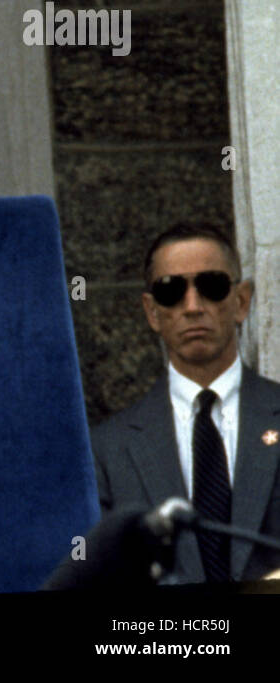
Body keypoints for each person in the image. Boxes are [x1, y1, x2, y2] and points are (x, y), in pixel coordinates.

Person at [91, 222, 280, 583]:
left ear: (240, 301)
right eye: (170, 291)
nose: (192, 306)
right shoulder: (107, 451)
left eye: (211, 286)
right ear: (151, 312)